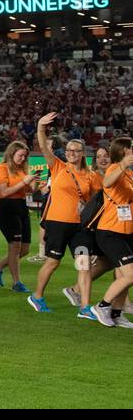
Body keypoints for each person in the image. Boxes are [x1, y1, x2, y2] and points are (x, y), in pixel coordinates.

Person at [29, 113, 102, 318]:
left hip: (80, 227)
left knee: (83, 264)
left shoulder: (91, 176)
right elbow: (44, 147)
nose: (71, 153)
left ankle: (85, 307)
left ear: (83, 153)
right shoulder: (58, 166)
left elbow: (96, 200)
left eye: (76, 151)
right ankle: (37, 296)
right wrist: (40, 127)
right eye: (69, 150)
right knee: (53, 262)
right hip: (58, 223)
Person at [90, 137, 133, 327]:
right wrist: (123, 164)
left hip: (126, 231)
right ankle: (102, 306)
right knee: (130, 275)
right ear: (124, 151)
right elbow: (106, 183)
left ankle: (116, 313)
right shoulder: (115, 168)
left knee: (126, 276)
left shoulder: (129, 174)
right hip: (110, 231)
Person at [0, 140, 37, 293]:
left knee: (25, 249)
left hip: (21, 206)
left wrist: (34, 185)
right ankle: (17, 283)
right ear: (11, 153)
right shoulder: (1, 169)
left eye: (25, 156)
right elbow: (4, 193)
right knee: (15, 246)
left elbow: (27, 191)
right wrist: (24, 182)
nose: (23, 159)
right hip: (6, 208)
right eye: (20, 155)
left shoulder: (23, 169)